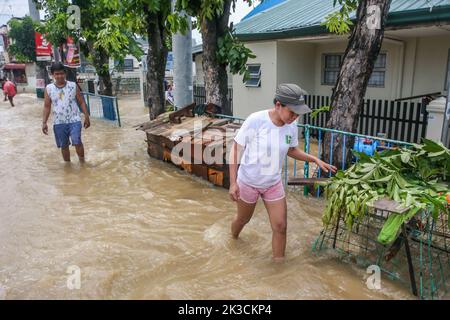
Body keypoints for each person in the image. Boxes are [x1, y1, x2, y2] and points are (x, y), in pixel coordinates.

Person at [228, 83, 337, 261]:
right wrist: (233, 183)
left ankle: (279, 267)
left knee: (281, 226)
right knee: (242, 220)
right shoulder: (256, 120)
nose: (294, 117)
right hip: (248, 181)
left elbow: (291, 150)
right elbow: (235, 149)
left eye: (297, 114)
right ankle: (233, 239)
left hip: (273, 183)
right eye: (292, 112)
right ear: (278, 105)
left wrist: (314, 159)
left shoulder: (291, 125)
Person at [42, 62, 90, 162]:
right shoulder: (48, 89)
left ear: (65, 73)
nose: (60, 76)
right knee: (64, 146)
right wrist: (44, 122)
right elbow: (47, 106)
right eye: (57, 74)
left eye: (61, 73)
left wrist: (86, 116)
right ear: (52, 75)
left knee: (77, 142)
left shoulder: (73, 85)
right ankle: (68, 167)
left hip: (74, 120)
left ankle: (82, 162)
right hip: (59, 122)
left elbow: (81, 102)